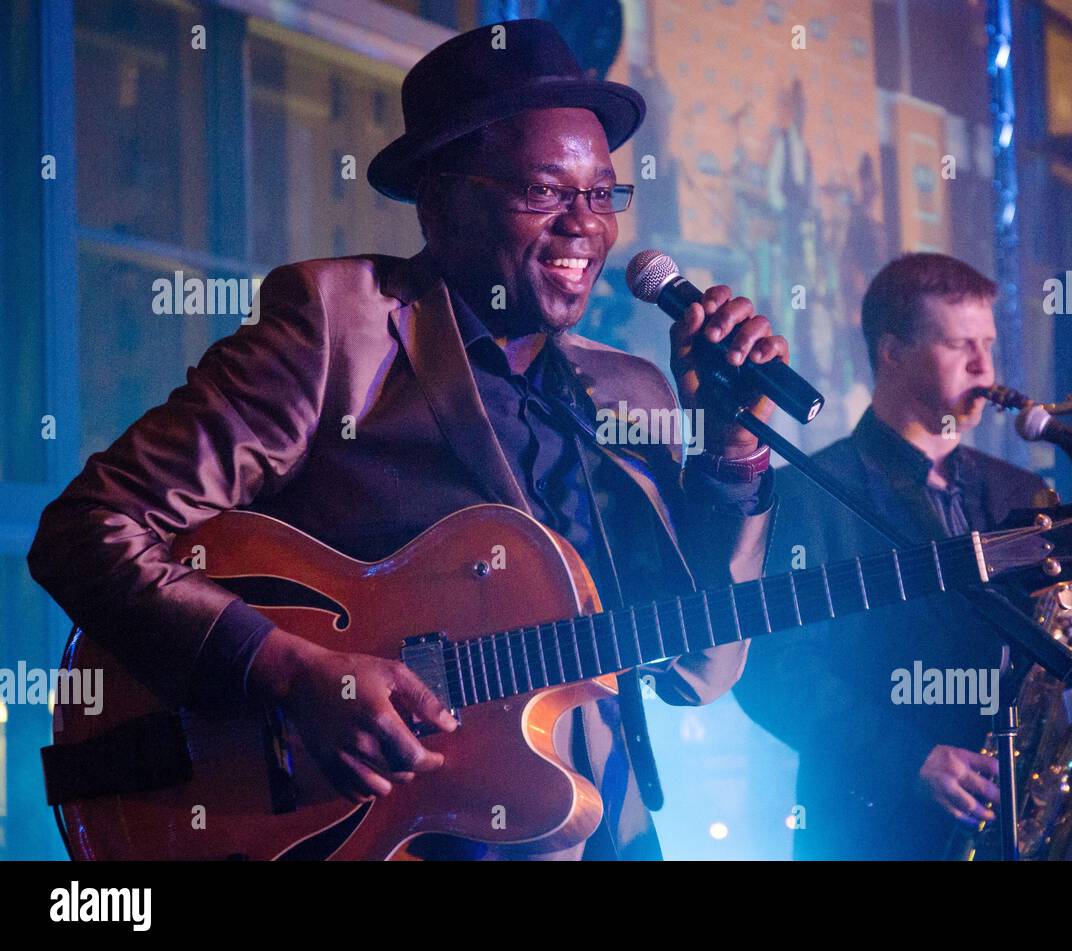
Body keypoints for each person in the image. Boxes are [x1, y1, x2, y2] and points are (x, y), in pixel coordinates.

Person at [28, 19, 787, 861]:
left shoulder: (632, 395)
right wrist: (291, 673)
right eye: (544, 191)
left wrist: (734, 449)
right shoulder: (340, 329)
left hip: (603, 834)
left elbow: (697, 667)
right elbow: (88, 530)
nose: (586, 226)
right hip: (369, 836)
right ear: (439, 199)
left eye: (601, 193)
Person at [733, 253, 1072, 859]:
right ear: (892, 353)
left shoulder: (1023, 492)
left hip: (1021, 822)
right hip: (876, 831)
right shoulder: (810, 493)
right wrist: (908, 760)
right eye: (960, 344)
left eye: (988, 343)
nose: (984, 366)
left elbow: (1046, 659)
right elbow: (771, 672)